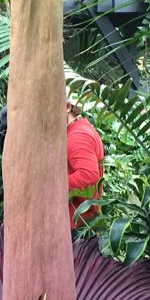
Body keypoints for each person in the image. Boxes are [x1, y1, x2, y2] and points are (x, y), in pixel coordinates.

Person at [66, 100, 104, 234]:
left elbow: (87, 176)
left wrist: (53, 186)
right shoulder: (79, 128)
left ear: (67, 107)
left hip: (78, 223)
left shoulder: (77, 137)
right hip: (84, 219)